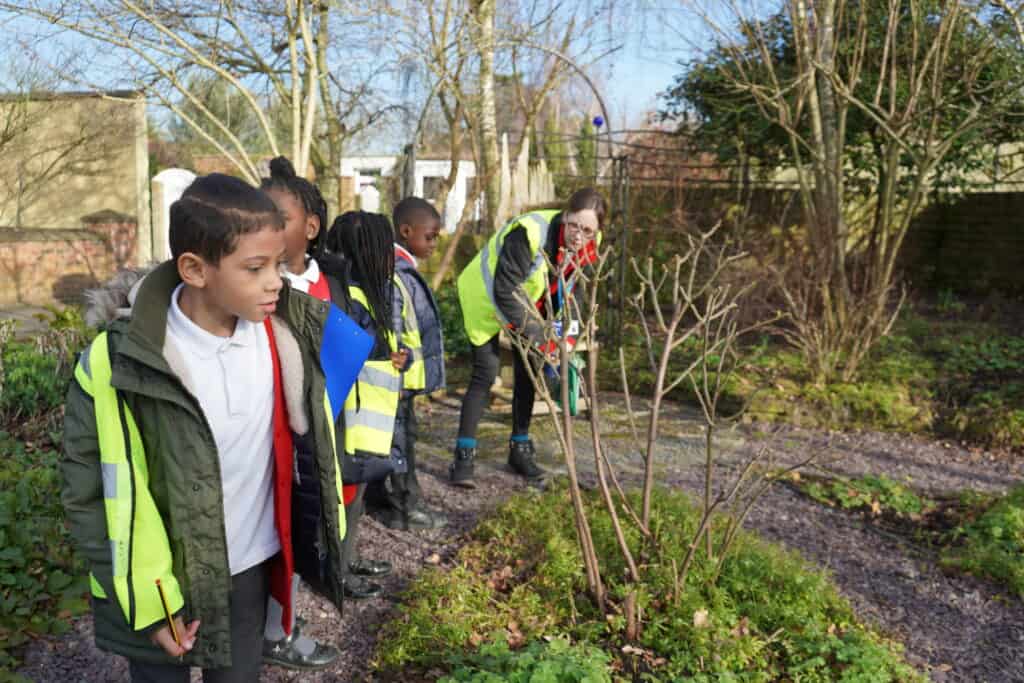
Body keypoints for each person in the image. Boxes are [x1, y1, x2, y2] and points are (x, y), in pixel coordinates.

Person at [62, 173, 347, 682]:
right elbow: (89, 491)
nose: (275, 282)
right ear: (194, 269)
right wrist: (151, 603)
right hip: (159, 581)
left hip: (249, 572)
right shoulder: (117, 361)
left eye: (279, 264)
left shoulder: (286, 339)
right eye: (255, 268)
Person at [262, 159, 394, 609]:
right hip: (274, 427)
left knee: (330, 502)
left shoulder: (335, 285)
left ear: (312, 227)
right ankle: (280, 618)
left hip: (333, 421)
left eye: (279, 220)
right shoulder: (255, 287)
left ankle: (327, 572)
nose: (267, 228)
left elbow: (352, 341)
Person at [449, 188, 606, 487]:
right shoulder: (530, 232)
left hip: (530, 301)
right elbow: (504, 290)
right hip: (486, 298)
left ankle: (519, 451)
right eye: (574, 225)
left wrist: (564, 340)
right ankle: (463, 458)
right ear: (565, 216)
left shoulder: (591, 244)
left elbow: (575, 294)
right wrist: (539, 336)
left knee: (529, 370)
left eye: (587, 230)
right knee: (486, 372)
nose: (578, 236)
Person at [323, 210, 409, 598]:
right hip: (349, 419)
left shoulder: (360, 293)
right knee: (344, 496)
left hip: (362, 418)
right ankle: (336, 570)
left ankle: (346, 557)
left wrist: (394, 357)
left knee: (353, 495)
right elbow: (345, 354)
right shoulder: (349, 298)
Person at [364, 197, 449, 531]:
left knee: (397, 438)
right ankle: (405, 508)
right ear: (405, 231)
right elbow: (392, 327)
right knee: (400, 442)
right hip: (398, 380)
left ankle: (383, 500)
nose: (434, 243)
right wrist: (395, 369)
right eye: (429, 236)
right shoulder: (395, 273)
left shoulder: (402, 268)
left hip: (401, 380)